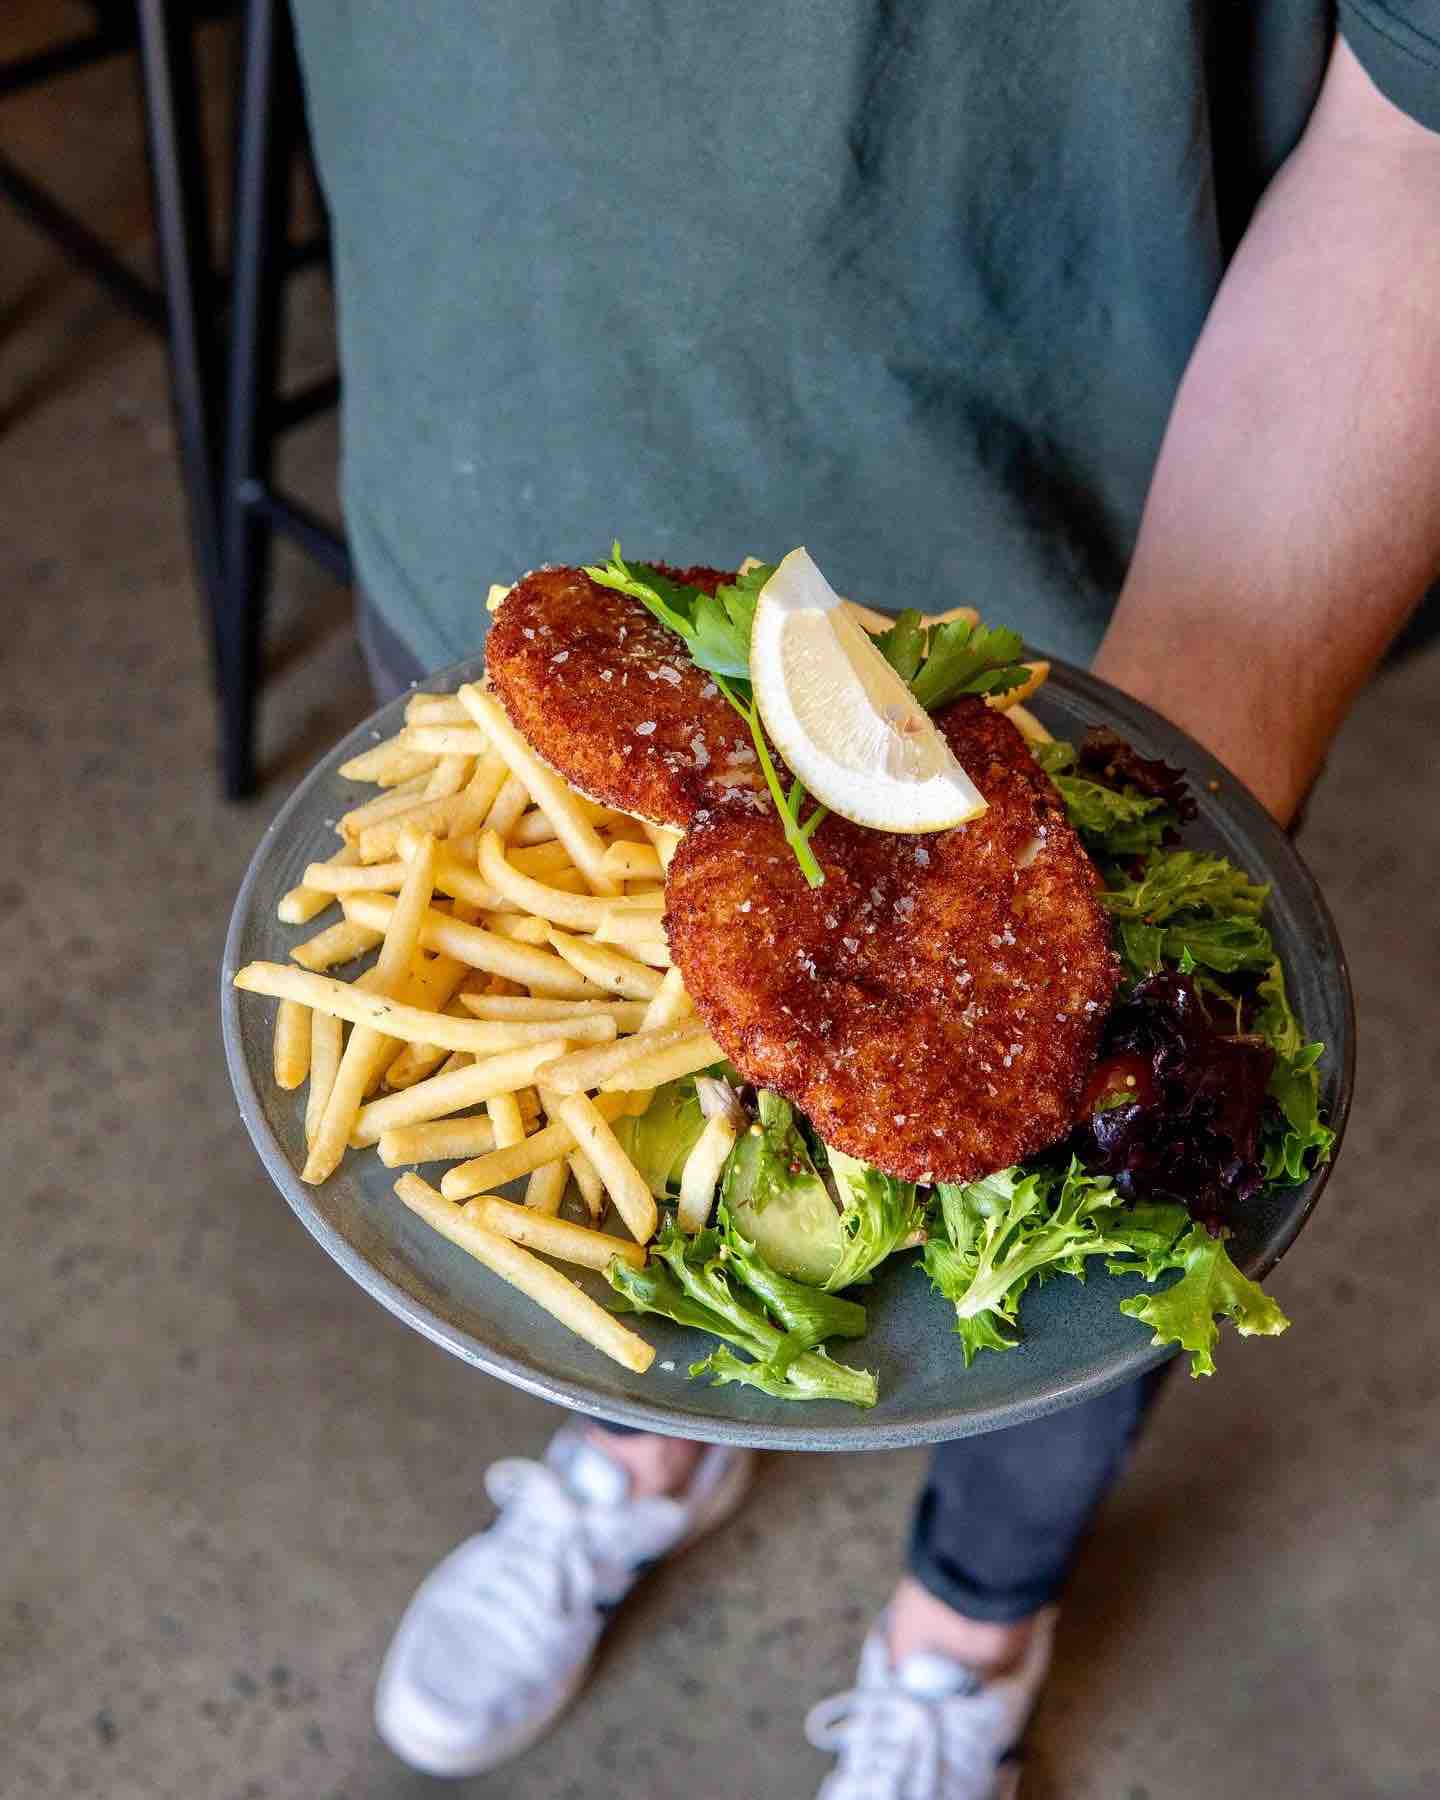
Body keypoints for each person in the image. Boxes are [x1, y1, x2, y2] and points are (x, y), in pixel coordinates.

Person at [288, 4, 1440, 1792]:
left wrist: (1156, 781)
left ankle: (969, 1627)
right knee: (606, 1175)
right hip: (487, 568)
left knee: (1084, 1228)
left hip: (1097, 634)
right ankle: (642, 1453)